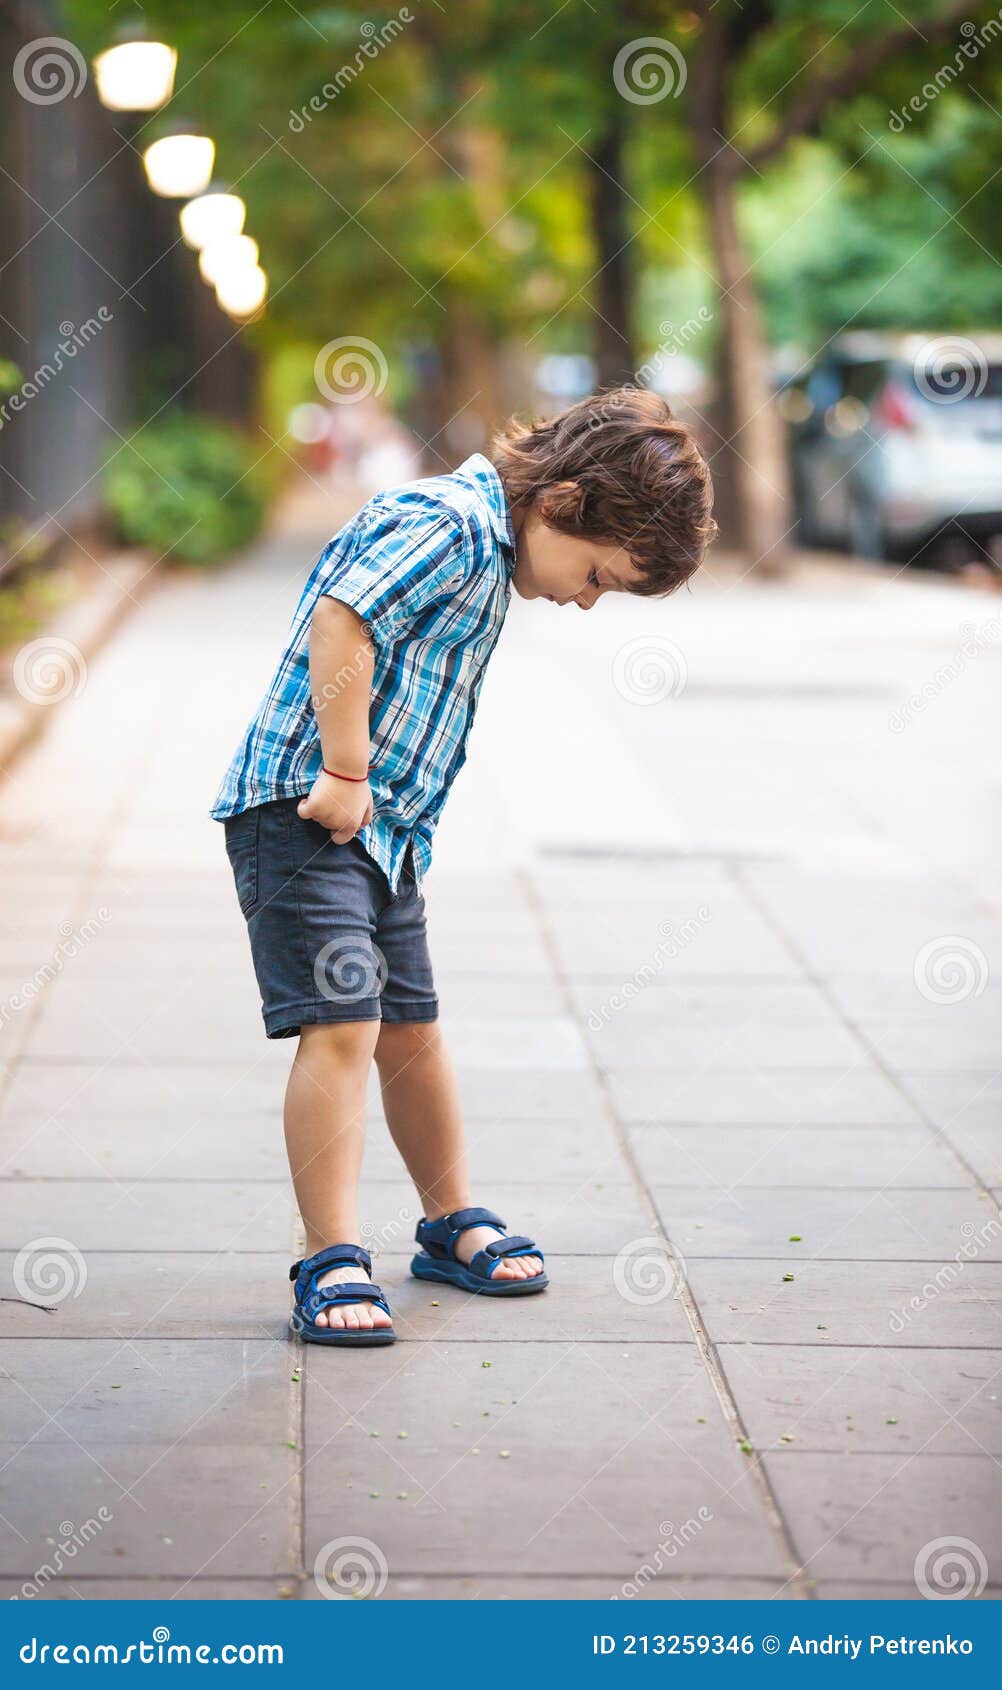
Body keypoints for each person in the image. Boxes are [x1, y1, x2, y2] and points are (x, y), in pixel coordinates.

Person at [211, 386, 716, 1346]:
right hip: (308, 811)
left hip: (383, 833)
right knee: (344, 1024)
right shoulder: (449, 524)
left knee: (411, 1029)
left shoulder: (493, 545)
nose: (585, 600)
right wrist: (345, 771)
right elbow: (342, 620)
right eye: (598, 576)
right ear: (562, 503)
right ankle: (329, 1255)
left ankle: (448, 1221)